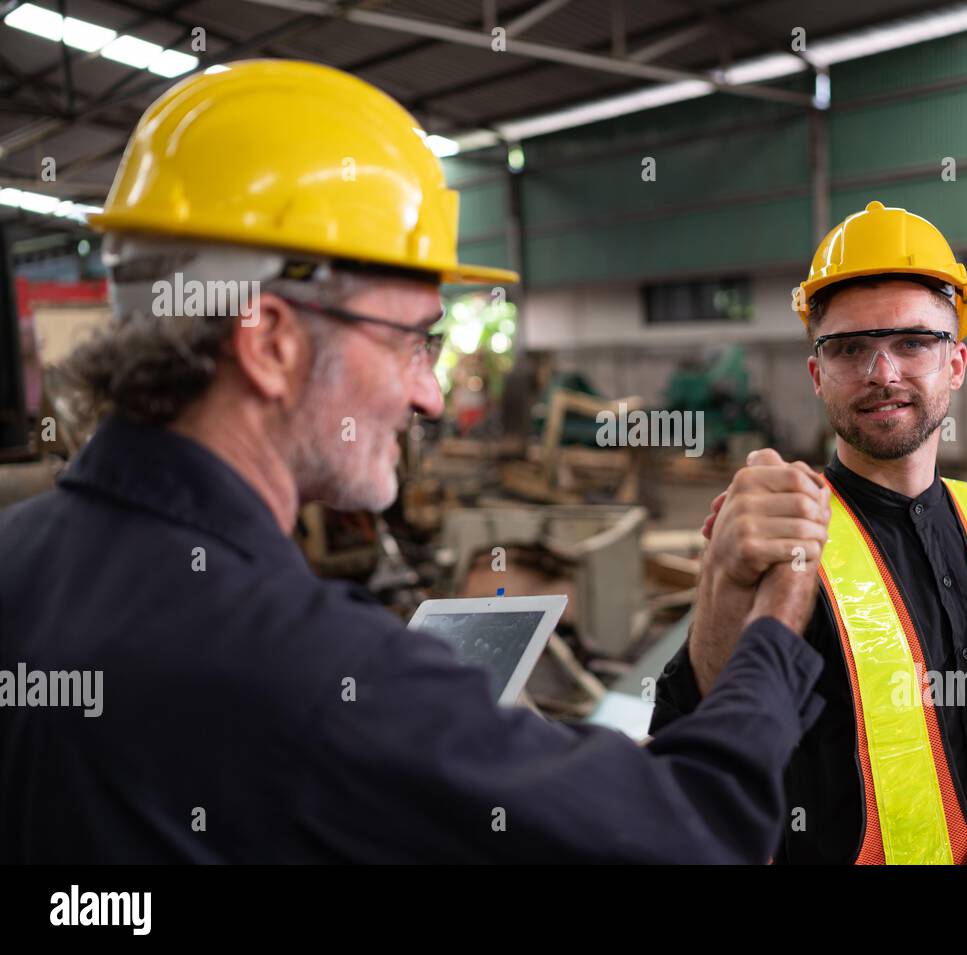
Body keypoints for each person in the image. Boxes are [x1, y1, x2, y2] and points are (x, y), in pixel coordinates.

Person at [0, 60, 831, 864]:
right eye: (412, 341)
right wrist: (769, 635)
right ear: (272, 342)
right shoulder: (304, 663)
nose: (429, 394)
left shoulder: (21, 555)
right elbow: (696, 836)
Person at [652, 201, 967, 865]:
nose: (882, 373)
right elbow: (691, 763)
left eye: (913, 342)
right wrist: (721, 590)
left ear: (957, 363)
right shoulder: (784, 545)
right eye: (850, 347)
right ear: (816, 374)